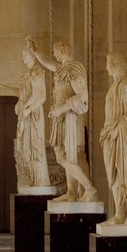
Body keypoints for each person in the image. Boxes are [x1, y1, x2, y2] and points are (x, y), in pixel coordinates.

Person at [30, 38, 98, 202]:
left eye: (55, 51)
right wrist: (36, 51)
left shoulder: (74, 69)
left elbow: (82, 97)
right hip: (62, 118)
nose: (53, 54)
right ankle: (72, 192)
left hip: (70, 118)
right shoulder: (62, 68)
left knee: (64, 156)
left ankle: (89, 188)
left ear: (62, 51)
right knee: (70, 154)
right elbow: (48, 63)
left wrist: (61, 108)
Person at [0, 39, 50, 190]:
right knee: (26, 146)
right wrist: (3, 87)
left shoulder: (38, 72)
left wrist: (29, 109)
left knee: (34, 145)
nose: (23, 58)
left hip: (33, 115)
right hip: (25, 114)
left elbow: (42, 96)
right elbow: (20, 93)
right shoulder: (26, 76)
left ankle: (40, 180)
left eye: (25, 55)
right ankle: (32, 179)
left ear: (32, 56)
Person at [99, 53, 127, 224]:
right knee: (112, 175)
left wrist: (116, 127)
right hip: (109, 135)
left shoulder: (126, 85)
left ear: (115, 64)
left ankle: (123, 213)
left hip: (120, 135)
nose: (106, 67)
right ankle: (119, 212)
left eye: (108, 63)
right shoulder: (115, 85)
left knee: (121, 171)